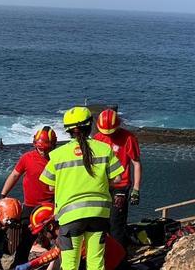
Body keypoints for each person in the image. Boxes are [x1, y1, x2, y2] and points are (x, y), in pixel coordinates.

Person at [39, 106, 124, 270]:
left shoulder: (58, 155)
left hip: (70, 215)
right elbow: (118, 178)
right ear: (90, 125)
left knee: (70, 264)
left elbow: (49, 186)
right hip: (99, 213)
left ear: (67, 130)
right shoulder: (104, 149)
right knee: (96, 262)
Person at [0, 126, 58, 268]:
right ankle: (19, 265)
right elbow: (14, 175)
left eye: (46, 148)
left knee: (57, 238)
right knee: (25, 240)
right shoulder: (27, 158)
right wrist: (3, 196)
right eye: (40, 148)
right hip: (30, 206)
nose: (43, 151)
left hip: (51, 206)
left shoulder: (58, 158)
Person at [15, 203, 125, 270]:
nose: (41, 236)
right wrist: (31, 264)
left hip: (115, 265)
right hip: (115, 258)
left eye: (41, 232)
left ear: (50, 226)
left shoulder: (72, 236)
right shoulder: (67, 228)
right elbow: (56, 252)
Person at [93, 108, 142, 249]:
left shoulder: (128, 138)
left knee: (116, 223)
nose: (109, 134)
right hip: (101, 185)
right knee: (100, 221)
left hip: (121, 185)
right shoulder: (98, 138)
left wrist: (136, 189)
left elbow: (136, 163)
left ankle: (119, 257)